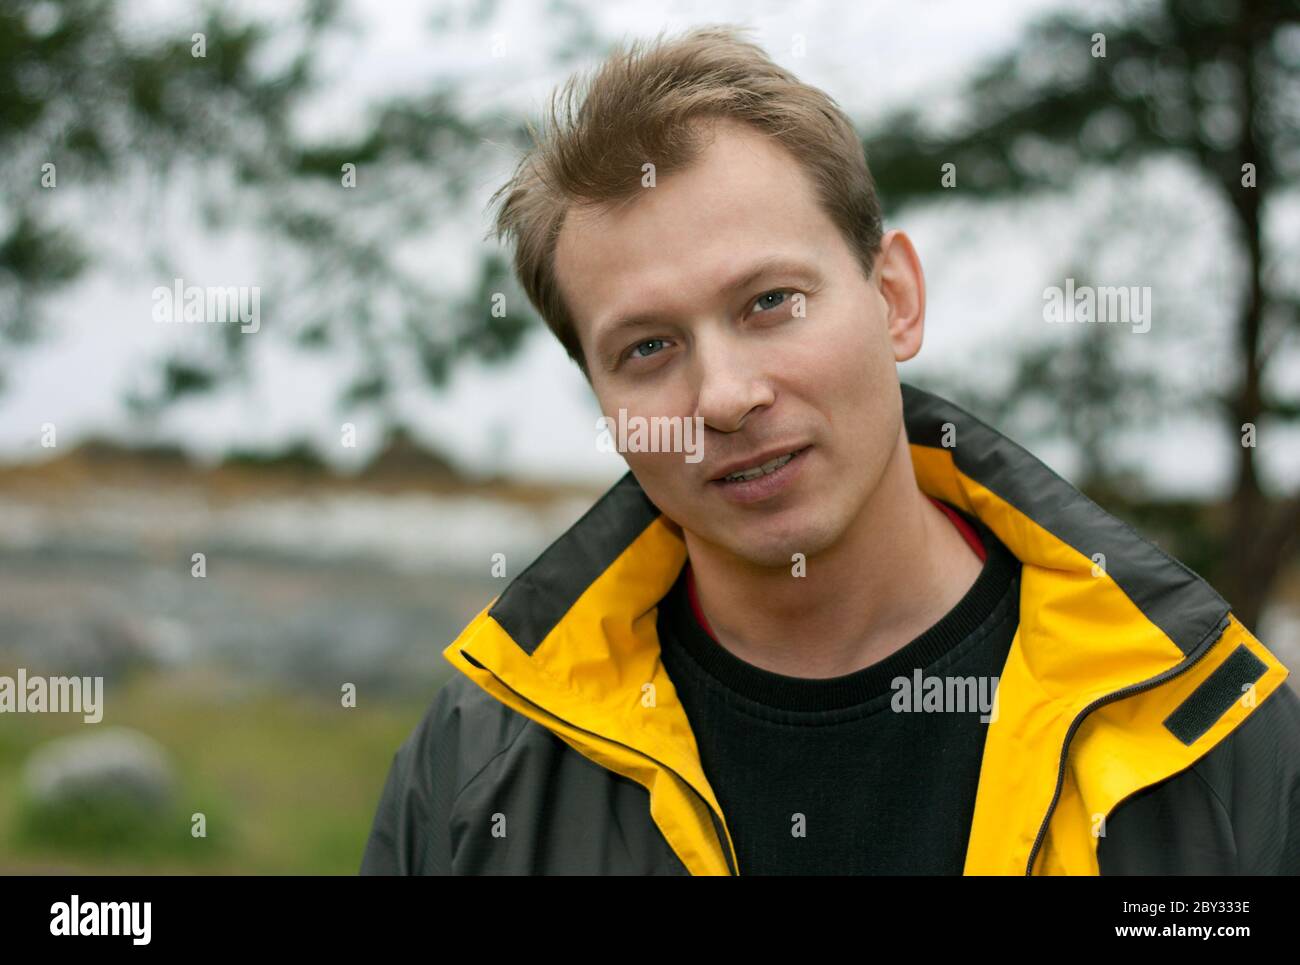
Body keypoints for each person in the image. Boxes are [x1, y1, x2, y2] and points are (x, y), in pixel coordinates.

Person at [360, 23, 1300, 875]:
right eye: (647, 348)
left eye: (770, 302)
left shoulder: (1204, 733)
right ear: (604, 403)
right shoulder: (478, 772)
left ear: (895, 298)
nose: (725, 397)